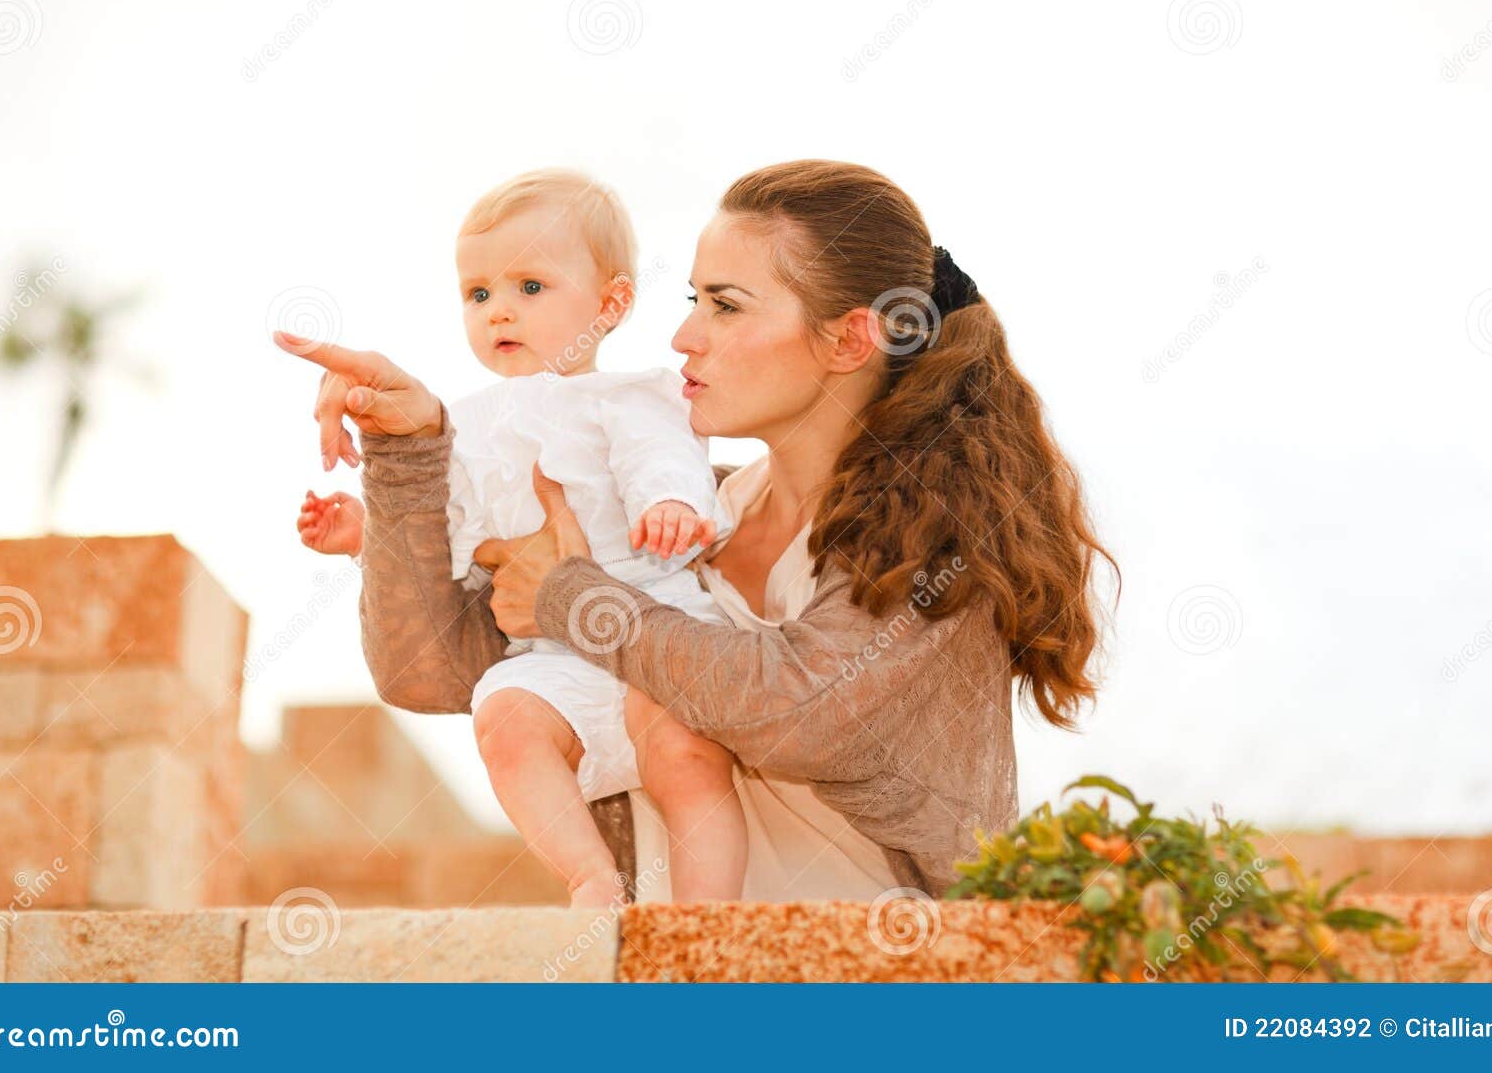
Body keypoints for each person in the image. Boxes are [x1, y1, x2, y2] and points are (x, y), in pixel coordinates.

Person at [277, 159, 1119, 901]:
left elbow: (796, 706)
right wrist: (407, 447)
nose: (682, 336)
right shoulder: (684, 513)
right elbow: (428, 669)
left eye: (724, 305)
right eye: (691, 300)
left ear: (849, 337)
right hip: (681, 995)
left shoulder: (935, 545)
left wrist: (571, 595)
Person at [285, 169, 748, 907]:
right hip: (552, 654)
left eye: (530, 287)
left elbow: (661, 457)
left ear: (611, 303)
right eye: (479, 294)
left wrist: (670, 502)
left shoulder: (624, 397)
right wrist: (365, 535)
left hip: (657, 627)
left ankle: (704, 918)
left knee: (690, 761)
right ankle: (590, 876)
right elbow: (446, 530)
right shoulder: (464, 423)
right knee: (503, 717)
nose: (500, 311)